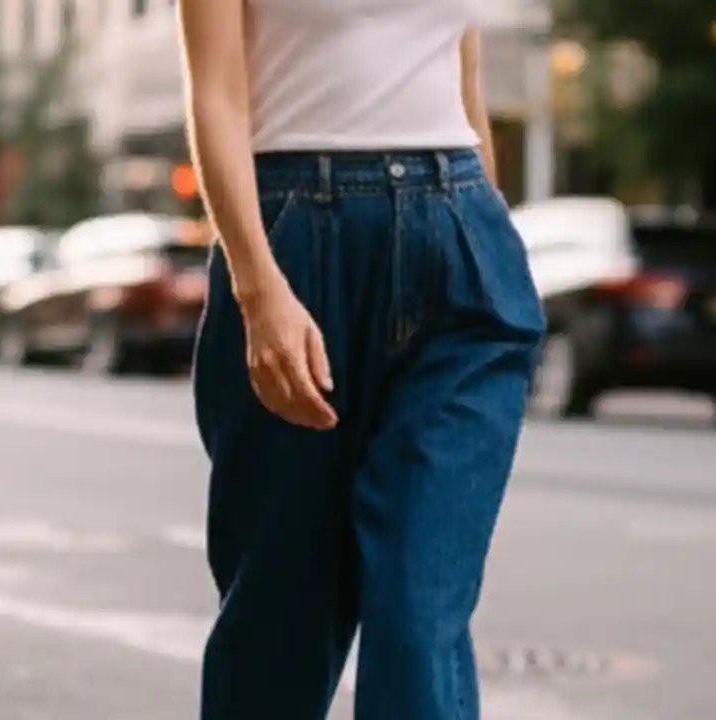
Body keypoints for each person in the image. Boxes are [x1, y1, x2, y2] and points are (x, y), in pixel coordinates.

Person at [179, 0, 546, 717]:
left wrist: (488, 230)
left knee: (418, 607)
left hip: (458, 237)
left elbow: (462, 78)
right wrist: (260, 290)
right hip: (297, 239)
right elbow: (215, 94)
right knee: (278, 617)